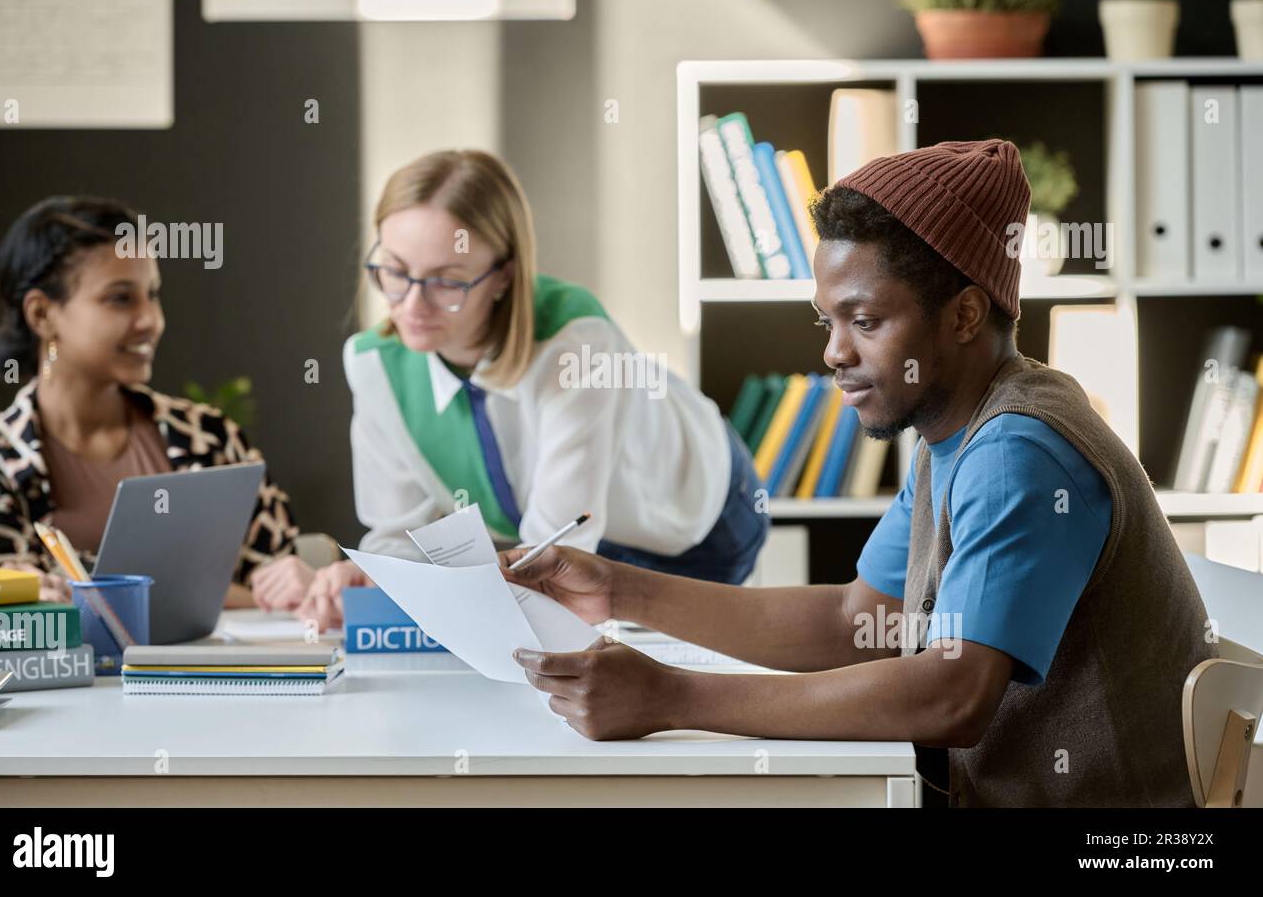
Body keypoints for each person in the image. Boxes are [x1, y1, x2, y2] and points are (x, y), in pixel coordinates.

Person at [496, 140, 1217, 808]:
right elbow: (856, 622)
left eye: (864, 321)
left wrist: (670, 697)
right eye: (827, 323)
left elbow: (951, 697)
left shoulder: (1018, 455)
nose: (835, 353)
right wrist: (616, 589)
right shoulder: (954, 434)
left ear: (965, 314)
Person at [292, 150, 767, 628]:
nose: (412, 304)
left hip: (698, 524)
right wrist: (371, 579)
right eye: (394, 271)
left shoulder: (575, 343)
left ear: (503, 275)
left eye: (447, 282)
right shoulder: (374, 363)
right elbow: (399, 535)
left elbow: (554, 554)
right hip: (571, 549)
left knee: (681, 687)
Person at [0, 196, 307, 606]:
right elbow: (3, 609)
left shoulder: (210, 439)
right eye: (120, 298)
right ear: (41, 315)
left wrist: (296, 584)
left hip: (216, 673)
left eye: (153, 295)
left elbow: (283, 592)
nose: (151, 321)